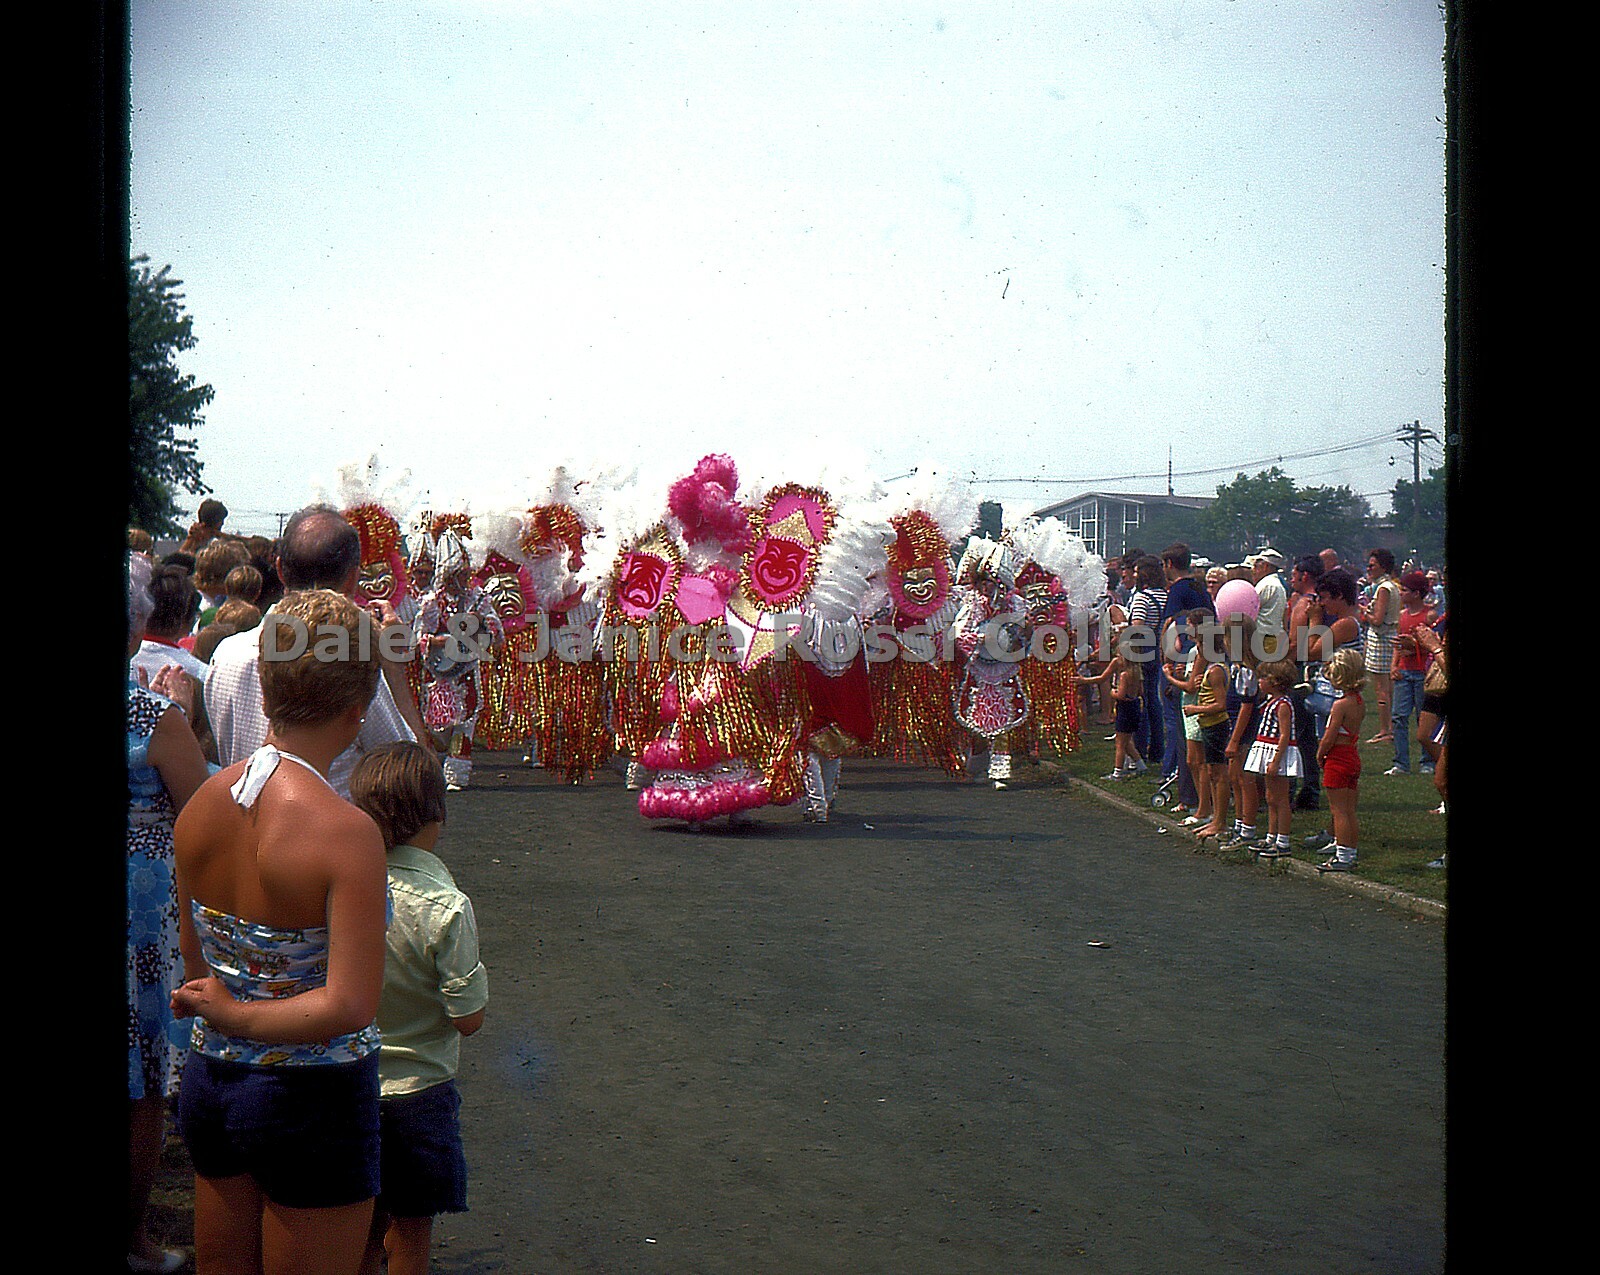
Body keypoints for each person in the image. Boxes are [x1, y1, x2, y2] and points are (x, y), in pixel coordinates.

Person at [170, 589, 390, 1275]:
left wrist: (231, 1012)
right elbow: (349, 1004)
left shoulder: (203, 802)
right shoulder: (348, 833)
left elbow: (192, 952)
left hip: (213, 1082)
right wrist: (245, 1012)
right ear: (356, 712)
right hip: (314, 1098)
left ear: (267, 684)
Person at [348, 743, 488, 1275]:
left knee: (357, 1225)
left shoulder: (346, 884)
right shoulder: (447, 907)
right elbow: (468, 1019)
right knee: (411, 1235)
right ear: (438, 815)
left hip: (352, 1080)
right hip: (418, 1096)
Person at [204, 504, 426, 799]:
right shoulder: (351, 659)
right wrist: (393, 665)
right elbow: (414, 774)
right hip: (331, 836)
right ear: (352, 577)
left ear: (280, 569)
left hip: (245, 829)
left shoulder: (225, 655)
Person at [127, 554, 211, 1275]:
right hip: (139, 910)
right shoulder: (153, 715)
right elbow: (205, 812)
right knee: (142, 1070)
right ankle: (133, 1238)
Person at [1299, 567, 1364, 853]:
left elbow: (1310, 651)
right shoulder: (1346, 622)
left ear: (1339, 596)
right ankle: (1335, 829)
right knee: (1335, 777)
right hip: (1335, 699)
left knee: (1335, 771)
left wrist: (1313, 620)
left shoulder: (1344, 624)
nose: (1322, 604)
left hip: (1335, 700)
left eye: (1325, 598)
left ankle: (1339, 835)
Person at [1157, 544, 1214, 811]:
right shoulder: (1199, 587)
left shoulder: (1178, 590)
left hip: (1184, 665)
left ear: (1169, 564)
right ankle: (1196, 794)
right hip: (1203, 657)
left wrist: (1170, 663)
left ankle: (1186, 793)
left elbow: (1173, 628)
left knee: (1180, 731)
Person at [1313, 649, 1366, 873]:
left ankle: (1342, 854)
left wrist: (1320, 754)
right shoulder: (1359, 702)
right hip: (1352, 755)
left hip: (1337, 757)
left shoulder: (1340, 705)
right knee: (1349, 809)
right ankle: (1349, 851)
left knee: (1339, 810)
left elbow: (1329, 736)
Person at [1181, 613, 1232, 842]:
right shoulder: (1211, 669)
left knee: (1219, 774)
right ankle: (1214, 818)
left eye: (1200, 644)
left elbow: (1221, 704)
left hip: (1215, 726)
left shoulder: (1216, 671)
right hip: (1209, 724)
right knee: (1212, 773)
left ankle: (1220, 821)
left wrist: (1196, 710)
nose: (1198, 649)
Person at [1245, 660, 1302, 859]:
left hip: (1276, 751)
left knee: (1280, 798)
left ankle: (1283, 840)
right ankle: (1271, 836)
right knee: (1270, 798)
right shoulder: (1269, 702)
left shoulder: (1283, 705)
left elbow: (1285, 735)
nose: (1259, 681)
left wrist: (1276, 760)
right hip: (1267, 748)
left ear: (1276, 681)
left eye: (1264, 678)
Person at [1385, 570, 1437, 776]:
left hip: (1422, 673)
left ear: (1416, 593)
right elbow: (1398, 645)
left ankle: (1427, 760)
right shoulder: (1402, 616)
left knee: (1423, 719)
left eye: (1404, 590)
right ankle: (1401, 762)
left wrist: (1415, 646)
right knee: (1398, 717)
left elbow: (1433, 645)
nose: (1401, 593)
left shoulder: (1429, 615)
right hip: (1404, 673)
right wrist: (1394, 666)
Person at [1285, 555, 1325, 814]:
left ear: (1305, 575)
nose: (1290, 578)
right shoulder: (1318, 601)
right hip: (1313, 668)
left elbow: (1296, 644)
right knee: (1307, 733)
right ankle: (1309, 786)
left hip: (1301, 670)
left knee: (1301, 733)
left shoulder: (1305, 604)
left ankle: (1308, 789)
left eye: (1294, 574)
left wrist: (1278, 666)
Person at [1124, 555, 1167, 772]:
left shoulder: (1142, 598)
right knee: (1154, 702)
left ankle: (1139, 749)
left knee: (1139, 701)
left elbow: (1137, 628)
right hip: (1159, 647)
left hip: (1142, 650)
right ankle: (1158, 749)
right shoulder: (1164, 596)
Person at [1359, 548, 1400, 743]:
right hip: (1388, 636)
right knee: (1387, 688)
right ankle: (1389, 729)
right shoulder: (1390, 586)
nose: (1368, 568)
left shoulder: (1383, 589)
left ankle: (1386, 730)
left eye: (1372, 565)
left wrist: (1364, 612)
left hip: (1381, 639)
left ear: (1382, 567)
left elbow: (1376, 619)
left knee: (1381, 689)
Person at [1248, 547, 1289, 660]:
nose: (1253, 570)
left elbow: (1249, 609)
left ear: (1265, 566)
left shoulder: (1266, 585)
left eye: (1256, 566)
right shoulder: (1277, 584)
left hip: (1263, 638)